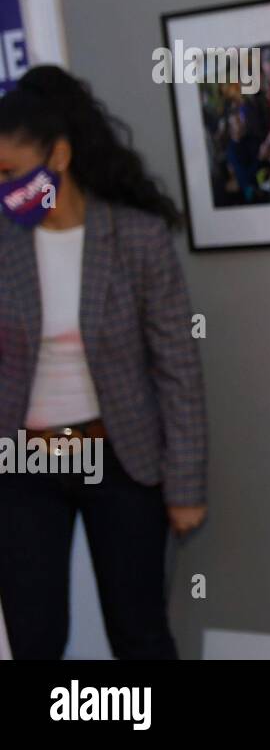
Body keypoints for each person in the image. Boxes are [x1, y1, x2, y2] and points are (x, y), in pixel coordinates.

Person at [0, 65, 207, 659]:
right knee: (33, 637)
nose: (6, 187)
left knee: (138, 632)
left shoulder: (136, 239)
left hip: (120, 456)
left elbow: (178, 369)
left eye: (13, 172)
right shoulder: (6, 242)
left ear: (58, 157)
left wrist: (186, 484)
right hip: (24, 461)